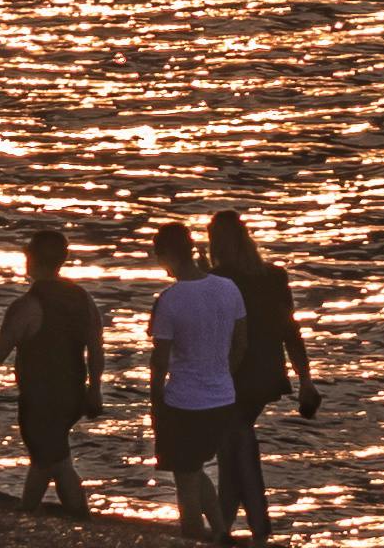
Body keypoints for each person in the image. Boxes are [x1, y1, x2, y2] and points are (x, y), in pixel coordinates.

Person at [0, 223, 105, 516]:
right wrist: (94, 390)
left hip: (41, 401)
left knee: (50, 461)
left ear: (32, 258)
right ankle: (47, 514)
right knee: (50, 458)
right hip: (73, 394)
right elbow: (96, 348)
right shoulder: (82, 298)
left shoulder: (27, 305)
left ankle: (55, 518)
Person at [207, 212, 319, 545]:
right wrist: (306, 380)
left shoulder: (217, 279)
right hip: (267, 374)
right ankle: (227, 526)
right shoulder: (273, 276)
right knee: (235, 445)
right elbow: (291, 331)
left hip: (233, 373)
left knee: (235, 445)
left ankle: (256, 526)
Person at [147, 217, 247, 537]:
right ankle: (221, 533)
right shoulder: (228, 288)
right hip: (222, 399)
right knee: (192, 469)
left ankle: (193, 537)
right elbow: (241, 343)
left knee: (185, 484)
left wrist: (156, 404)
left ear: (166, 255)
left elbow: (159, 362)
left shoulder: (170, 301)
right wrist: (220, 375)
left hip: (184, 403)